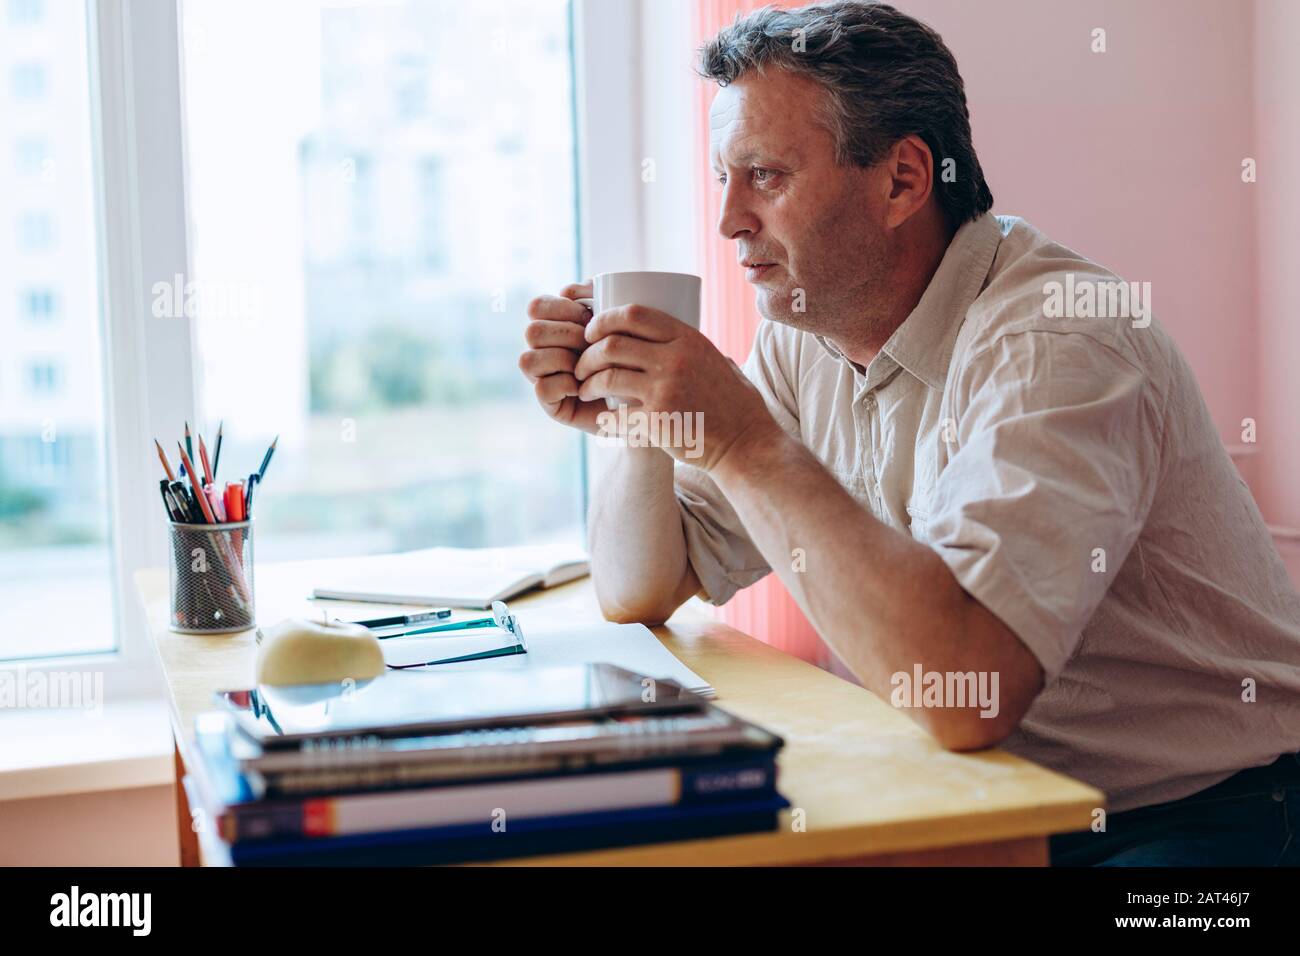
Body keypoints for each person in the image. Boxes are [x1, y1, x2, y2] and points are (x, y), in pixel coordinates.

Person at [518, 1, 1300, 866]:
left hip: (1208, 817)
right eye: (723, 181)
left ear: (903, 181)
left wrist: (742, 440)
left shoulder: (1060, 340)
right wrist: (645, 417)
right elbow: (638, 590)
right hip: (988, 796)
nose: (731, 220)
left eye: (767, 176)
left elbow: (968, 691)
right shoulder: (803, 337)